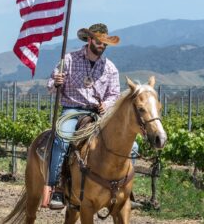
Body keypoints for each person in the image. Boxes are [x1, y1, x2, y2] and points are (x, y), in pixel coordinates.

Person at [47, 23, 138, 209]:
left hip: (99, 114)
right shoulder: (69, 59)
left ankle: (126, 190)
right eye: (99, 41)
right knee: (62, 138)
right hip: (72, 110)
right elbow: (50, 84)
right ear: (89, 40)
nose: (102, 45)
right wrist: (56, 82)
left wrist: (108, 104)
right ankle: (56, 186)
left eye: (105, 43)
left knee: (133, 146)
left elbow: (114, 93)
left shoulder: (110, 67)